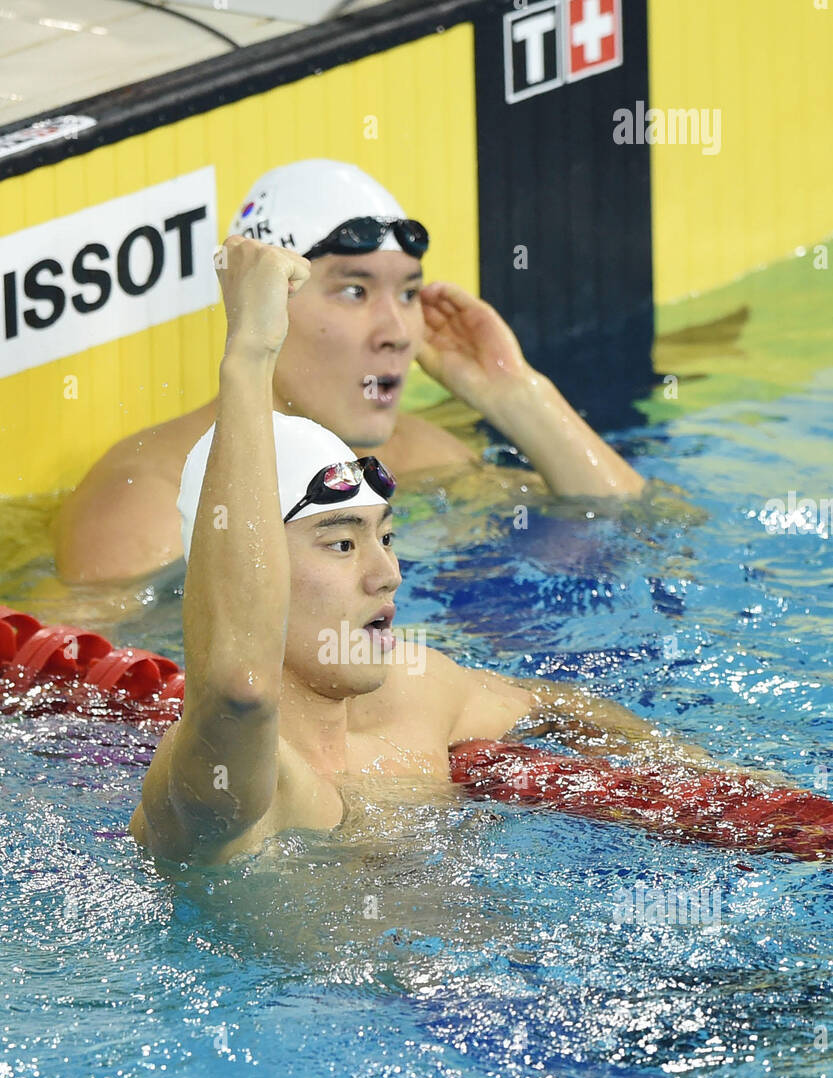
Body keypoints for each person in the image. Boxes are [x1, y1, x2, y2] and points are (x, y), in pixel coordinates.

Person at [130, 238, 713, 867]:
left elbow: (557, 705)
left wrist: (725, 785)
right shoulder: (229, 790)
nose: (388, 575)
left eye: (385, 537)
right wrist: (249, 353)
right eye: (342, 543)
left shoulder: (414, 696)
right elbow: (238, 689)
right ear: (250, 568)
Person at [58, 160, 644, 585]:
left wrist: (519, 396)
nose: (396, 331)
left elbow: (639, 539)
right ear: (265, 301)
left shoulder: (418, 454)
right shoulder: (152, 505)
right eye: (354, 290)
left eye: (409, 293)